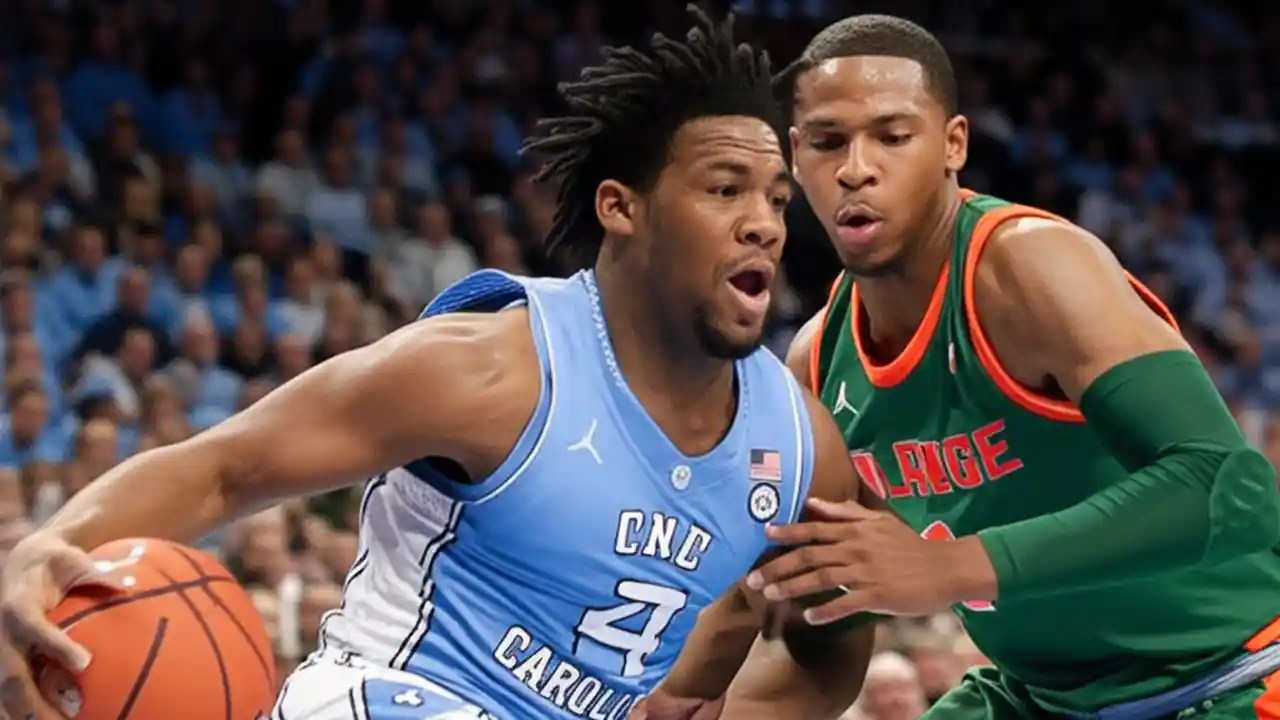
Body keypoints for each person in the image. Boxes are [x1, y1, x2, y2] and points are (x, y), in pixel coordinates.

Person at [0, 8, 870, 720]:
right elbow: (227, 469)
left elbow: (827, 647)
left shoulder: (799, 449)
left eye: (776, 199)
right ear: (622, 208)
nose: (764, 222)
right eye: (726, 190)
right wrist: (54, 544)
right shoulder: (490, 369)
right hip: (391, 698)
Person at [732, 14, 1280, 720]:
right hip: (1040, 698)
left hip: (1232, 677)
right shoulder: (817, 359)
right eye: (830, 143)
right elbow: (813, 622)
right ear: (796, 156)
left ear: (952, 144)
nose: (857, 167)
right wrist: (690, 694)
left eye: (893, 137)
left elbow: (1229, 488)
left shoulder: (1025, 267)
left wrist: (952, 567)